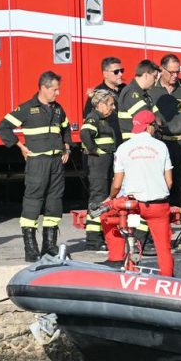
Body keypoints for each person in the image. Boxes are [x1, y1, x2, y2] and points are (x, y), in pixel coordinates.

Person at [0, 71, 72, 261]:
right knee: (33, 202)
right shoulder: (27, 108)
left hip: (56, 162)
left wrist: (67, 148)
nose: (58, 93)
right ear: (43, 88)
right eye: (55, 90)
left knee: (54, 202)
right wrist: (20, 146)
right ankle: (30, 248)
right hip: (37, 162)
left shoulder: (57, 109)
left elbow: (66, 127)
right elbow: (3, 126)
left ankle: (49, 246)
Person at [102, 109, 174, 277]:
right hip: (158, 204)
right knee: (164, 248)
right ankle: (168, 281)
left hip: (132, 205)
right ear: (149, 127)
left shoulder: (123, 148)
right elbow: (169, 181)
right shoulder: (161, 146)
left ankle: (116, 259)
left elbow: (117, 184)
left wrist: (111, 198)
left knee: (105, 215)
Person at [148, 54, 181, 245]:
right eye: (171, 72)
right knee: (161, 187)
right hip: (161, 143)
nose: (175, 75)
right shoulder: (152, 90)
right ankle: (161, 233)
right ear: (162, 70)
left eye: (178, 71)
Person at [80, 89, 118, 251]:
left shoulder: (102, 119)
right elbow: (84, 133)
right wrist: (95, 150)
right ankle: (93, 239)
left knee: (104, 198)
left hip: (104, 162)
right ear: (100, 104)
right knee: (98, 198)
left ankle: (100, 235)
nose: (113, 107)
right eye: (110, 104)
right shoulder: (93, 117)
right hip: (98, 164)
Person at [116, 59, 160, 142]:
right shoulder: (131, 93)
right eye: (154, 77)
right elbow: (146, 118)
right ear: (146, 75)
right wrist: (156, 124)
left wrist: (156, 123)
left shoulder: (144, 94)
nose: (156, 81)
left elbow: (160, 118)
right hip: (135, 144)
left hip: (142, 142)